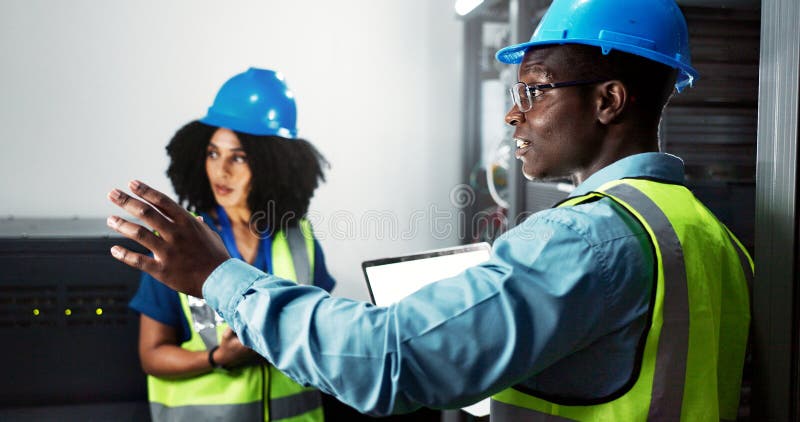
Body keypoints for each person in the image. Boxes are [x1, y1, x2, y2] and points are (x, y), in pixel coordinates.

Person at [108, 0, 752, 420]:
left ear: (609, 101)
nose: (513, 113)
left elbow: (389, 360)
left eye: (535, 90)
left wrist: (217, 277)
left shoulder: (585, 240)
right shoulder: (712, 236)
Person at [127, 68, 335, 421]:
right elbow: (152, 354)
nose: (221, 170)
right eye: (213, 154)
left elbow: (324, 334)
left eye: (238, 157)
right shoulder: (179, 242)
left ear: (274, 163)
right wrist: (216, 358)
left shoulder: (301, 240)